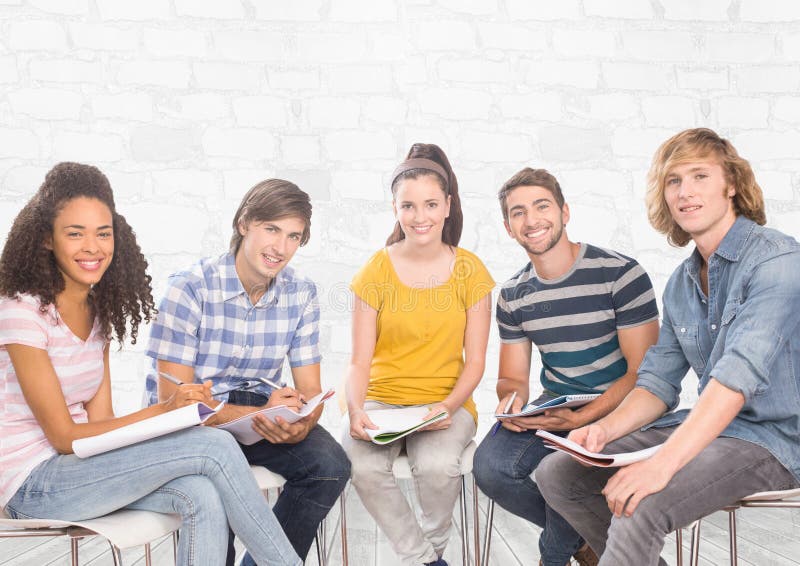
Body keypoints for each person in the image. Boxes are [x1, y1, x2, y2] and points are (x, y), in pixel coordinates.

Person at [0, 162, 300, 566]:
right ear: (47, 240)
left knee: (202, 493)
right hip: (31, 485)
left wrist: (174, 415)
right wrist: (164, 410)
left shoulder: (97, 313)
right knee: (214, 445)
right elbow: (65, 436)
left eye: (103, 234)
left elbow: (100, 426)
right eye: (75, 234)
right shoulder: (22, 312)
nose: (93, 247)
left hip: (77, 471)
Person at [537, 128, 800, 566]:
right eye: (674, 181)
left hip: (775, 439)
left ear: (731, 185)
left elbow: (735, 378)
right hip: (710, 429)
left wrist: (664, 465)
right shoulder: (681, 283)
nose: (685, 192)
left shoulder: (778, 262)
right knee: (559, 474)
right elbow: (657, 383)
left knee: (641, 500)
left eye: (699, 176)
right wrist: (605, 430)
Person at [144, 178, 350, 565]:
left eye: (293, 236)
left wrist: (302, 422)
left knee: (330, 466)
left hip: (260, 408)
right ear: (244, 224)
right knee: (209, 493)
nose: (280, 248)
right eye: (271, 229)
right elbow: (174, 403)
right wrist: (253, 417)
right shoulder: (189, 288)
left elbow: (310, 391)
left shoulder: (300, 293)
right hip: (192, 418)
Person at [472, 167, 660, 566]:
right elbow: (512, 377)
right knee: (490, 468)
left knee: (563, 467)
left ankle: (554, 558)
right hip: (556, 402)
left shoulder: (619, 274)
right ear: (509, 228)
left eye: (542, 206)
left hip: (623, 404)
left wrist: (583, 418)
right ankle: (587, 540)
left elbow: (643, 372)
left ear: (565, 212)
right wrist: (512, 404)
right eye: (518, 212)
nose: (532, 220)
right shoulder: (513, 295)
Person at [343, 143, 494, 566]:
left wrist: (446, 408)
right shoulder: (375, 270)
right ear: (395, 208)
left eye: (430, 204)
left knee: (438, 466)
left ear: (448, 205)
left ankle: (429, 554)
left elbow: (477, 361)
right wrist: (356, 409)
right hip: (381, 400)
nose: (420, 216)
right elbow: (358, 361)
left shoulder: (470, 271)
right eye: (408, 206)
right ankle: (425, 560)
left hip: (445, 401)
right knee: (362, 466)